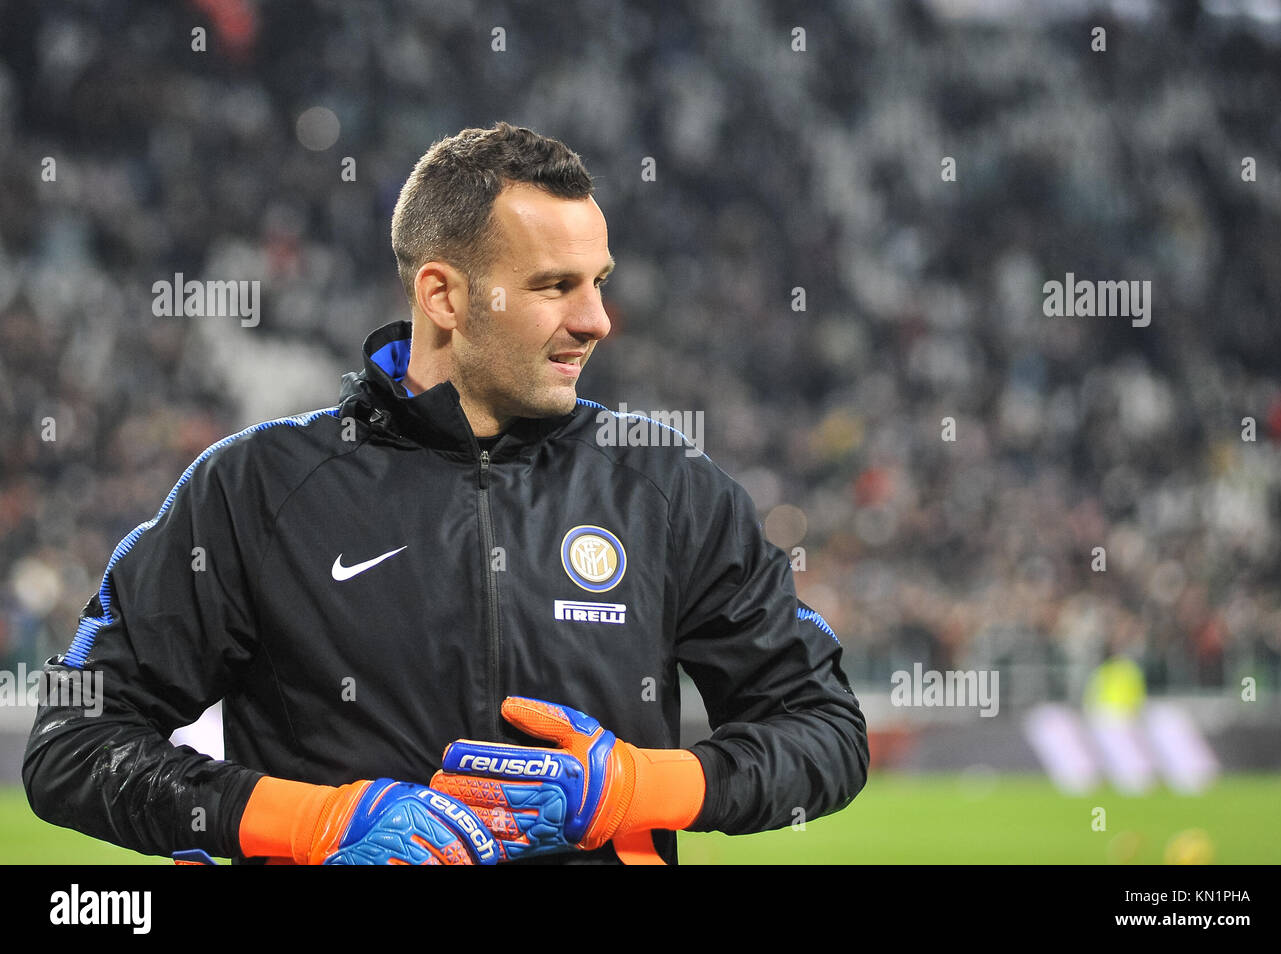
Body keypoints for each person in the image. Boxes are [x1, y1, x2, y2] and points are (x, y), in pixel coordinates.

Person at [23, 122, 868, 865]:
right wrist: (312, 821)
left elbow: (824, 729)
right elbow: (72, 741)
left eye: (599, 280)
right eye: (554, 286)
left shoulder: (668, 489)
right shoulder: (255, 488)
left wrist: (637, 785)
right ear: (443, 295)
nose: (597, 319)